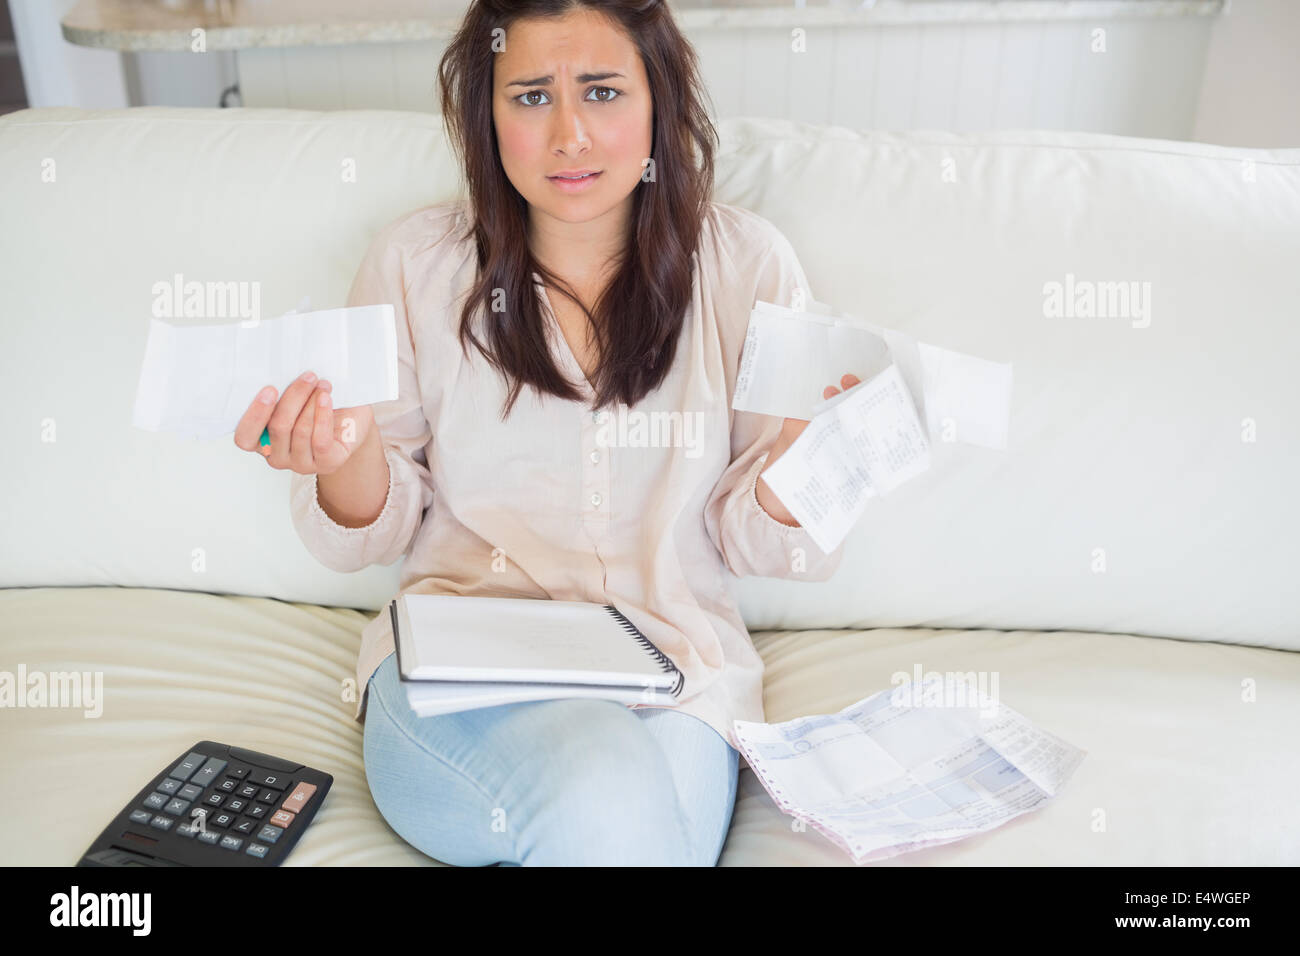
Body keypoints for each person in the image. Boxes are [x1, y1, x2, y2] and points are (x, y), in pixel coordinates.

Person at [234, 0, 856, 866]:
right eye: (530, 97)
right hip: (460, 677)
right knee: (600, 785)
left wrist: (811, 451)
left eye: (602, 91)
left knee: (626, 814)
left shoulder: (748, 266)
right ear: (487, 117)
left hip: (676, 684)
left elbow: (759, 543)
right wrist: (347, 457)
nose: (569, 134)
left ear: (659, 102)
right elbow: (368, 533)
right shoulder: (416, 264)